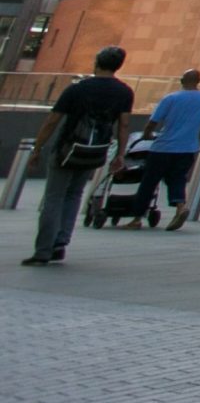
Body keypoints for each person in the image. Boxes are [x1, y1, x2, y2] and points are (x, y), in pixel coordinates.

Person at [23, 45, 135, 266]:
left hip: (67, 148)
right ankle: (61, 242)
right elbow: (124, 125)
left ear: (97, 63)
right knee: (75, 194)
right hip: (95, 151)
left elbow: (52, 121)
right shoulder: (124, 92)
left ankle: (43, 249)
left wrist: (37, 148)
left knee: (54, 197)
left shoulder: (77, 89)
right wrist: (120, 154)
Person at [137, 68, 200, 229]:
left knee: (149, 182)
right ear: (199, 81)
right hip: (188, 147)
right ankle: (181, 207)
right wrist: (193, 131)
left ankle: (137, 218)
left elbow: (154, 121)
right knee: (178, 178)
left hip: (163, 147)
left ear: (181, 80)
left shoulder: (171, 98)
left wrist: (146, 134)